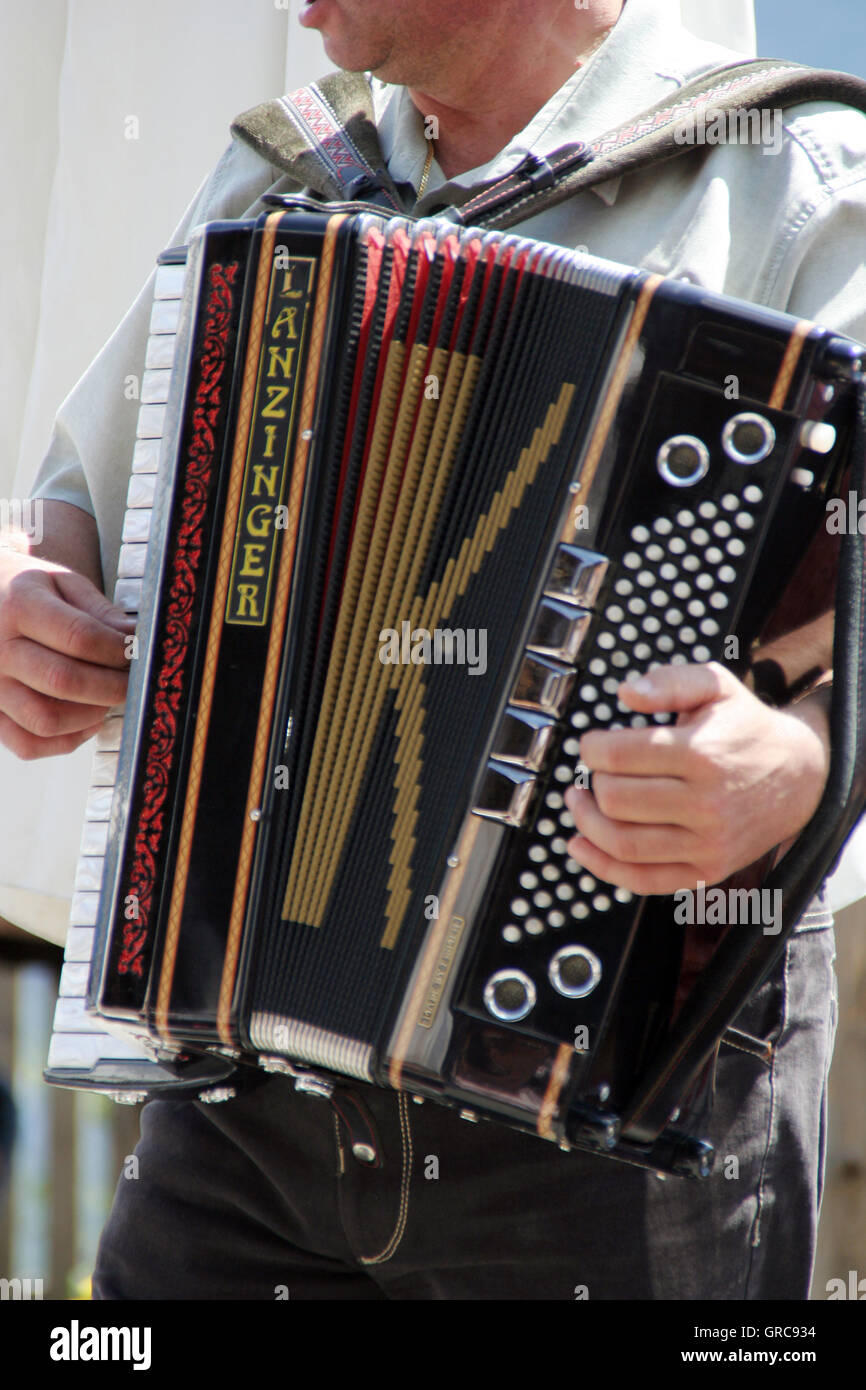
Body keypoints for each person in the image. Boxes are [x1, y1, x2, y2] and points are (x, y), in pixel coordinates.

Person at [2, 0, 864, 1299]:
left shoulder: (791, 174)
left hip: (606, 1117)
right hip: (246, 1104)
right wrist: (29, 578)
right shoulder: (285, 172)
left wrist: (795, 759)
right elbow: (79, 490)